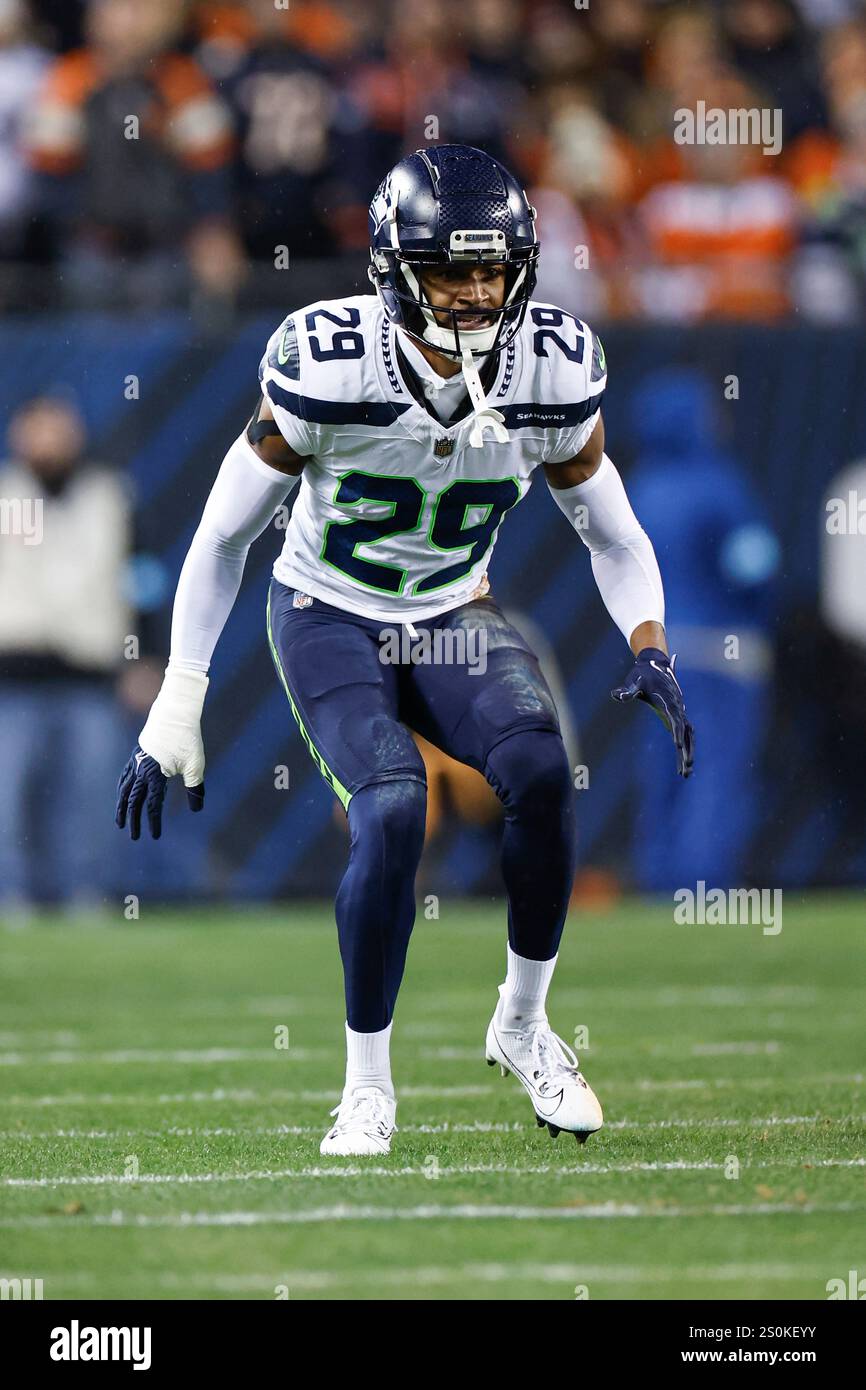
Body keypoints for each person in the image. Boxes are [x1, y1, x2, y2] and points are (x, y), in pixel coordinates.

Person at [116, 144, 694, 1155]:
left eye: (490, 271)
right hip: (328, 614)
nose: (473, 294)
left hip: (447, 612)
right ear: (391, 272)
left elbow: (613, 534)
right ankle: (366, 1086)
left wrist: (648, 643)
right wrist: (183, 693)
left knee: (542, 774)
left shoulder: (550, 365)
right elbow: (221, 536)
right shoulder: (327, 362)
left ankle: (521, 1026)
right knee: (390, 807)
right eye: (447, 272)